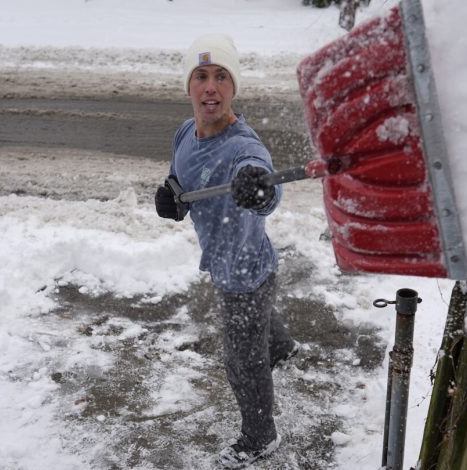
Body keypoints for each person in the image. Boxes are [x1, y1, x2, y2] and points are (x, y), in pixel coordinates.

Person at [154, 33, 299, 469]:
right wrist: (170, 194)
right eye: (201, 76)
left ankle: (260, 437)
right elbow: (181, 177)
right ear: (189, 87)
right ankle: (284, 347)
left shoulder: (243, 147)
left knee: (241, 359)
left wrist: (257, 189)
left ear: (233, 87)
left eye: (221, 76)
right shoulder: (185, 131)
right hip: (229, 257)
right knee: (259, 326)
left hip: (244, 271)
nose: (210, 87)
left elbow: (263, 182)